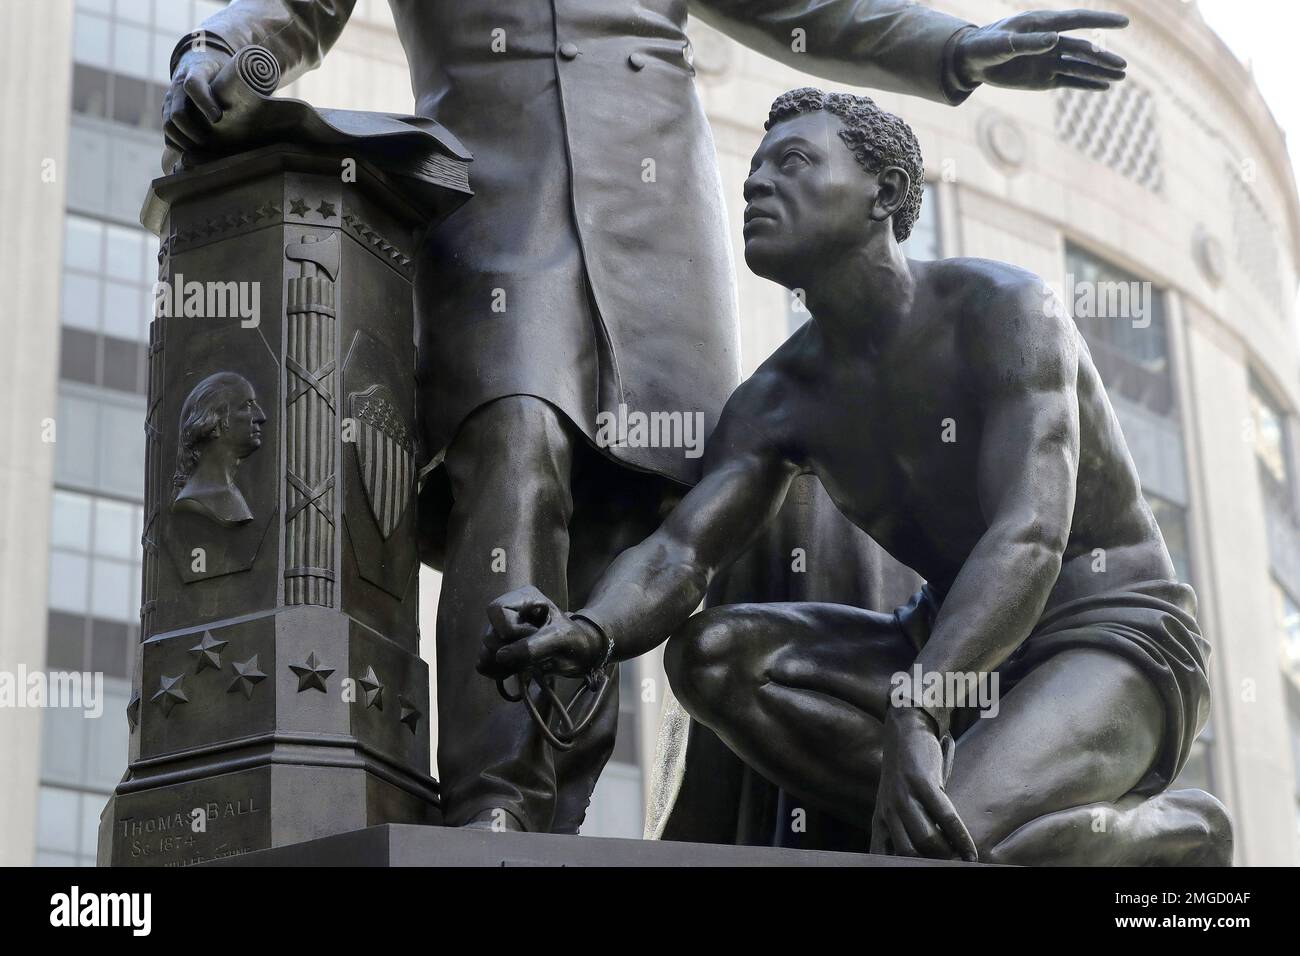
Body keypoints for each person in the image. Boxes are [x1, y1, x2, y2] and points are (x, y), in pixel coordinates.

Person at [163, 0, 1133, 834]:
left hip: (658, 240)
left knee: (629, 515)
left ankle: (555, 818)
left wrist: (958, 46)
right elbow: (292, 7)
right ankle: (493, 799)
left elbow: (812, 11)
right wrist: (218, 55)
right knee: (511, 443)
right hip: (501, 221)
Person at [481, 88, 1231, 864]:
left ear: (888, 193)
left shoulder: (1007, 312)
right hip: (944, 642)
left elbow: (1030, 535)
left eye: (794, 162)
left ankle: (1178, 832)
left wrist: (923, 708)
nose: (757, 185)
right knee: (710, 657)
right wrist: (589, 629)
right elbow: (684, 555)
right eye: (754, 173)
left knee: (947, 843)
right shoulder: (778, 400)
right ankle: (949, 814)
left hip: (1106, 637)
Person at [172, 372, 266, 527]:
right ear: (214, 423)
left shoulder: (229, 492)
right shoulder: (197, 500)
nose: (261, 416)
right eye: (248, 405)